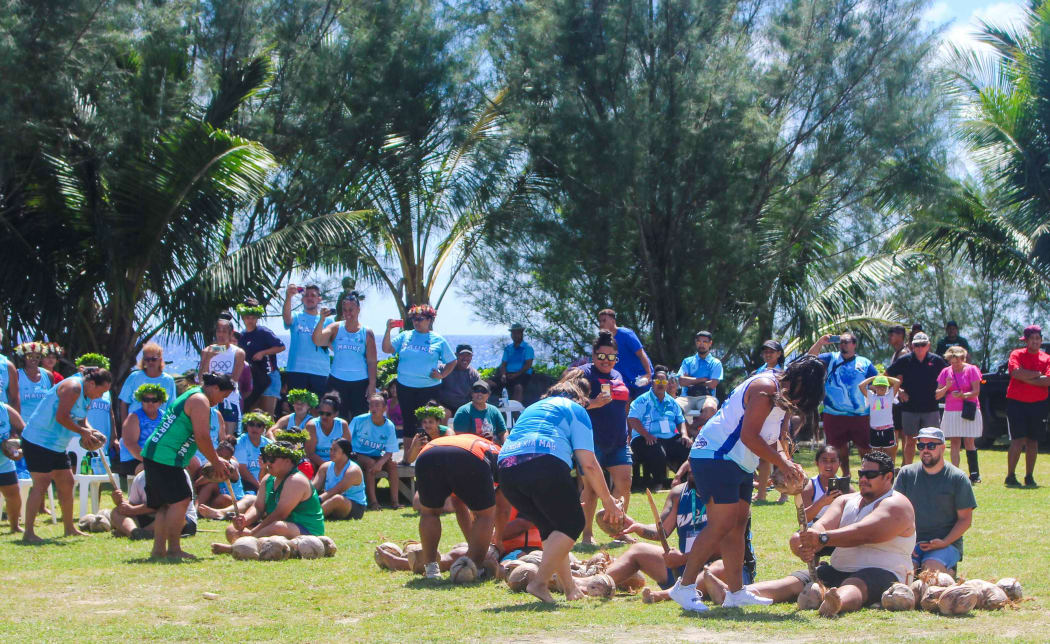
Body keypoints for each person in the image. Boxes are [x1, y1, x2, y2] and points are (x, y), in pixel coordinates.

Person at [669, 356, 823, 612]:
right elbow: (749, 436)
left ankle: (736, 592)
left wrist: (788, 462)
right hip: (716, 456)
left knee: (738, 525)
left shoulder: (783, 396)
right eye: (802, 395)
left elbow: (774, 440)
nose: (798, 403)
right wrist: (782, 465)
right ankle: (683, 587)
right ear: (797, 381)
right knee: (721, 525)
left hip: (741, 461)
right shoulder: (765, 389)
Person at [497, 369, 626, 602]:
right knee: (573, 523)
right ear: (582, 398)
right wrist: (609, 503)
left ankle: (571, 589)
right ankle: (539, 582)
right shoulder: (576, 410)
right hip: (542, 461)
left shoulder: (532, 408)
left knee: (552, 529)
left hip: (507, 469)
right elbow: (589, 464)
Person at [743, 451, 916, 618]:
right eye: (862, 473)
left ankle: (835, 602)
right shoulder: (845, 500)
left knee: (855, 584)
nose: (863, 478)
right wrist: (804, 542)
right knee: (794, 582)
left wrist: (823, 539)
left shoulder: (897, 504)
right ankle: (739, 594)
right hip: (838, 569)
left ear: (888, 477)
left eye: (870, 474)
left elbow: (865, 533)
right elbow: (821, 527)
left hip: (883, 573)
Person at [606, 471, 757, 602]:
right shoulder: (679, 493)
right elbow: (662, 530)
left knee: (714, 569)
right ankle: (595, 583)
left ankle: (667, 594)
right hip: (685, 570)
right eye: (690, 462)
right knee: (638, 550)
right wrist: (638, 527)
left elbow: (725, 547)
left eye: (697, 464)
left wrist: (682, 558)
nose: (691, 470)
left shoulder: (730, 495)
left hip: (727, 570)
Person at [141, 372, 235, 559]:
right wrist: (215, 462)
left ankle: (159, 550)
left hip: (159, 454)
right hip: (164, 456)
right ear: (215, 388)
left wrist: (216, 458)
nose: (221, 401)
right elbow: (201, 436)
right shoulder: (200, 400)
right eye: (223, 396)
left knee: (165, 505)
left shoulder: (195, 395)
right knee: (182, 500)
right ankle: (174, 550)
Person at [20, 367, 112, 543]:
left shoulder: (87, 392)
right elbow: (61, 417)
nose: (101, 396)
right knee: (42, 484)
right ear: (92, 383)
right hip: (37, 440)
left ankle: (70, 528)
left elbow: (81, 419)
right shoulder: (73, 387)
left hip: (56, 445)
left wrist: (92, 431)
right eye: (101, 392)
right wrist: (83, 432)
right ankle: (29, 533)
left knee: (67, 482)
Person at [415, 432, 505, 579]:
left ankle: (431, 568)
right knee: (486, 515)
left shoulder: (480, 444)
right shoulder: (501, 458)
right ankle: (475, 566)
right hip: (470, 455)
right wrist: (499, 539)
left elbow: (458, 504)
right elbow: (502, 511)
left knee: (429, 513)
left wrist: (473, 545)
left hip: (427, 453)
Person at [213, 441, 325, 552]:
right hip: (276, 526)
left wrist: (253, 532)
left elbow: (280, 514)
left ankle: (237, 547)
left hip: (307, 530)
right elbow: (257, 507)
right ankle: (245, 545)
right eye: (267, 458)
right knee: (231, 529)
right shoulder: (268, 479)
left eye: (272, 459)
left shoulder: (296, 480)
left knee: (277, 527)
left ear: (287, 461)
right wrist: (245, 520)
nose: (268, 463)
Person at [894, 427, 977, 574]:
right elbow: (895, 512)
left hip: (946, 543)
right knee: (903, 572)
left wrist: (944, 542)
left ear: (943, 448)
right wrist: (904, 543)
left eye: (931, 446)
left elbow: (965, 520)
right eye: (921, 445)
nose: (925, 450)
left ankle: (945, 569)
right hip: (910, 541)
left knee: (930, 573)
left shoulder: (958, 478)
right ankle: (946, 571)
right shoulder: (906, 473)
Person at [578, 330, 633, 546]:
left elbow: (623, 407)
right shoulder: (582, 374)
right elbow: (569, 402)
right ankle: (587, 535)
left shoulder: (618, 376)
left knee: (625, 483)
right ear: (593, 356)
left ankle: (619, 531)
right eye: (602, 356)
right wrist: (594, 404)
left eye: (611, 357)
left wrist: (628, 431)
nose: (606, 361)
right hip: (591, 441)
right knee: (590, 489)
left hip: (619, 440)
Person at [808, 331, 878, 477]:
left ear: (854, 344)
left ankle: (868, 472)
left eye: (846, 342)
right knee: (839, 448)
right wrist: (820, 342)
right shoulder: (830, 358)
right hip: (833, 413)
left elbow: (877, 382)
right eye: (841, 342)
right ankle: (846, 474)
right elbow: (809, 359)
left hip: (860, 414)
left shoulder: (864, 363)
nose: (843, 345)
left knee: (865, 447)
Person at [382, 304, 456, 437]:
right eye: (414, 319)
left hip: (429, 387)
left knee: (429, 421)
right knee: (409, 423)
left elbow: (452, 361)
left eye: (420, 319)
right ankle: (408, 457)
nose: (416, 322)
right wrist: (388, 330)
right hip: (405, 386)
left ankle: (430, 453)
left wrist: (442, 375)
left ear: (429, 320)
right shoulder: (405, 335)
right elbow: (387, 349)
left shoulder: (438, 339)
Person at [885, 332, 947, 466]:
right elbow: (886, 376)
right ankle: (908, 470)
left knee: (932, 441)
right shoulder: (904, 360)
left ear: (928, 346)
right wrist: (899, 391)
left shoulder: (936, 360)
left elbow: (950, 375)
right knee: (910, 441)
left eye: (923, 344)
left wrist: (943, 390)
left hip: (931, 408)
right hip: (909, 408)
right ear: (912, 346)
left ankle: (933, 468)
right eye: (917, 345)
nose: (920, 347)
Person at [312, 293, 376, 420]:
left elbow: (372, 361)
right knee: (337, 418)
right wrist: (321, 320)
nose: (348, 313)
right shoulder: (336, 328)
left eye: (351, 310)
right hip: (337, 381)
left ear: (358, 309)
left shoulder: (367, 332)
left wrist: (372, 384)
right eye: (345, 310)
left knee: (359, 418)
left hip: (360, 382)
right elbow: (317, 340)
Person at [628, 365, 690, 491]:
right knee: (657, 450)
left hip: (669, 437)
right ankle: (658, 484)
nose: (660, 384)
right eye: (658, 381)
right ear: (652, 383)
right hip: (644, 438)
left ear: (667, 383)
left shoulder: (672, 402)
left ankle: (685, 481)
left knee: (686, 446)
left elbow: (680, 420)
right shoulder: (642, 400)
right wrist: (646, 434)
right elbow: (632, 419)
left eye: (663, 381)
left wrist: (684, 434)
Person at [1004, 325, 1050, 487]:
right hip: (1017, 403)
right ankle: (1010, 476)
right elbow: (1015, 373)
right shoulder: (1016, 354)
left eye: (1038, 338)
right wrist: (1037, 375)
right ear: (1026, 340)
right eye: (1032, 339)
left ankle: (1029, 476)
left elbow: (1048, 380)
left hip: (1038, 405)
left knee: (1033, 441)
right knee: (1018, 440)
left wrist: (1026, 377)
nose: (1035, 341)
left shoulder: (1046, 358)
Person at [937, 347, 984, 482]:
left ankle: (974, 474)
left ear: (963, 359)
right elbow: (938, 393)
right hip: (952, 411)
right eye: (953, 362)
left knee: (969, 441)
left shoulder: (971, 370)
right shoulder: (946, 372)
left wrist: (963, 395)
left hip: (968, 409)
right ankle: (955, 473)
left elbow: (976, 391)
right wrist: (947, 387)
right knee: (955, 442)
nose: (955, 365)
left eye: (958, 362)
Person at [111, 469, 197, 540]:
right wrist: (120, 503)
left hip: (181, 518)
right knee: (116, 512)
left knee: (173, 514)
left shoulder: (178, 473)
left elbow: (167, 504)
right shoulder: (141, 477)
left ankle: (141, 532)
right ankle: (134, 532)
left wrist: (133, 510)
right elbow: (133, 504)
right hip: (149, 518)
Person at [350, 392, 401, 509]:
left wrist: (381, 463)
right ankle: (373, 502)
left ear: (384, 408)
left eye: (377, 405)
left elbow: (389, 451)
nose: (373, 408)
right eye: (371, 405)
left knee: (392, 465)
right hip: (357, 453)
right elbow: (346, 437)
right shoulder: (358, 420)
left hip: (376, 455)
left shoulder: (389, 426)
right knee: (371, 464)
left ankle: (395, 502)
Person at [282, 284, 334, 398]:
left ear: (319, 299)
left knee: (319, 409)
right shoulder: (296, 316)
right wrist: (289, 297)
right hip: (296, 370)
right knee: (297, 407)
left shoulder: (328, 320)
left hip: (320, 372)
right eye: (306, 295)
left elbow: (333, 345)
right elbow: (287, 319)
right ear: (302, 299)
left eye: (313, 295)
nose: (309, 298)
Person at [200, 317, 246, 440]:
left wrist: (214, 379)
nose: (220, 334)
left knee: (227, 436)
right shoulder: (207, 351)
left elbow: (234, 379)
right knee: (210, 433)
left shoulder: (238, 353)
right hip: (210, 400)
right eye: (218, 331)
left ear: (231, 334)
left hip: (229, 400)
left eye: (224, 331)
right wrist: (209, 358)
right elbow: (201, 378)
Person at [236, 299, 286, 415]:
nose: (250, 320)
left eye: (253, 318)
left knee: (267, 415)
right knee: (251, 413)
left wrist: (263, 353)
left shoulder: (263, 332)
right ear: (243, 318)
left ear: (257, 318)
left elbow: (281, 347)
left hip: (269, 376)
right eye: (247, 317)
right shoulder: (242, 336)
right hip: (254, 379)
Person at [116, 343, 177, 429]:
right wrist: (125, 426)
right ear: (143, 360)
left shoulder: (168, 380)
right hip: (135, 426)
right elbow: (124, 403)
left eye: (154, 359)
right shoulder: (134, 377)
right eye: (147, 359)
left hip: (158, 429)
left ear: (160, 360)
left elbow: (171, 407)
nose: (150, 362)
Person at [597, 309, 653, 399]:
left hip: (640, 377)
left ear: (613, 321)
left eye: (604, 320)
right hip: (624, 380)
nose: (601, 324)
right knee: (624, 406)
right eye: (600, 321)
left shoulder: (626, 334)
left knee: (643, 407)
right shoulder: (604, 341)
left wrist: (648, 374)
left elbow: (641, 354)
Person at [676, 331, 724, 434]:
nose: (701, 344)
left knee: (710, 408)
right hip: (686, 397)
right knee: (671, 407)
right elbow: (681, 381)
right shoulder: (687, 361)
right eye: (699, 341)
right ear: (695, 342)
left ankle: (689, 429)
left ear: (710, 343)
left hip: (706, 397)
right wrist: (702, 379)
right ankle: (690, 431)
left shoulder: (716, 363)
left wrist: (690, 380)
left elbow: (713, 384)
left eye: (705, 342)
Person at [116, 383, 168, 476]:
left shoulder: (165, 417)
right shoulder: (134, 417)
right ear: (141, 401)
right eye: (146, 400)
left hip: (158, 459)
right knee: (152, 469)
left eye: (154, 400)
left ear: (160, 402)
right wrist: (151, 460)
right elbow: (130, 444)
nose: (150, 403)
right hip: (134, 459)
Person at [312, 438, 366, 520]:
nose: (331, 452)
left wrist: (317, 500)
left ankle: (311, 518)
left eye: (335, 450)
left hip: (354, 507)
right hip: (329, 500)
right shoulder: (325, 467)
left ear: (344, 452)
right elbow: (314, 487)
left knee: (337, 499)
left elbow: (336, 491)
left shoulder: (353, 470)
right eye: (331, 450)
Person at [801, 445, 853, 525]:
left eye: (833, 461)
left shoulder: (846, 487)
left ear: (839, 463)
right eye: (824, 461)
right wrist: (822, 502)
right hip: (816, 529)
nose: (828, 465)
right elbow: (803, 519)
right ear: (817, 463)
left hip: (840, 529)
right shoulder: (810, 487)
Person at [858, 374, 901, 462]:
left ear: (887, 388)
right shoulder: (871, 397)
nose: (881, 389)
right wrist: (874, 378)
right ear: (874, 387)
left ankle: (890, 472)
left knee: (889, 454)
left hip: (887, 429)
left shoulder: (889, 396)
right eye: (879, 387)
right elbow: (861, 385)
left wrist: (885, 378)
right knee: (876, 455)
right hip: (875, 430)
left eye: (884, 387)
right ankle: (877, 473)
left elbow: (897, 382)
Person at [303, 394, 350, 471]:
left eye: (328, 414)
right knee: (308, 466)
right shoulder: (312, 426)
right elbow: (310, 453)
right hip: (316, 461)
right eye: (321, 413)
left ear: (336, 414)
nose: (324, 417)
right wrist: (327, 467)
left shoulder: (343, 425)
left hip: (337, 461)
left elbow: (346, 451)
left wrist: (335, 465)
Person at [0, 401, 27, 532]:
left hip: (4, 463)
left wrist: (18, 451)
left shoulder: (5, 410)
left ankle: (15, 526)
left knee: (13, 495)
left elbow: (26, 432)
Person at [886, 324, 910, 453]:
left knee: (903, 434)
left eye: (892, 334)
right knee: (895, 432)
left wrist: (898, 390)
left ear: (901, 336)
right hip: (895, 396)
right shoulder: (896, 353)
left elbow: (900, 377)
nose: (890, 337)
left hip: (901, 397)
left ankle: (904, 465)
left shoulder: (904, 353)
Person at [235, 412, 273, 493]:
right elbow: (242, 469)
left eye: (259, 425)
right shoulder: (240, 442)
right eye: (251, 424)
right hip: (246, 484)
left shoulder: (269, 444)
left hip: (265, 482)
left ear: (264, 428)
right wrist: (259, 486)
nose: (254, 428)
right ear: (247, 426)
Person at [16, 343, 54, 423]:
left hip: (44, 423)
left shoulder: (48, 375)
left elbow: (52, 400)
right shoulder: (17, 375)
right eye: (30, 356)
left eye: (37, 357)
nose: (34, 359)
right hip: (23, 423)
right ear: (23, 358)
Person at [438, 344, 481, 417]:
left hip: (463, 408)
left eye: (468, 355)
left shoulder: (474, 374)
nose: (465, 358)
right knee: (445, 413)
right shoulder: (443, 369)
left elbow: (477, 395)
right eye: (462, 355)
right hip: (443, 406)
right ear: (455, 355)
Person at [498, 323, 535, 403]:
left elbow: (528, 365)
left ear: (521, 333)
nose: (515, 335)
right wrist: (503, 375)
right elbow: (503, 364)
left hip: (522, 374)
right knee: (488, 383)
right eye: (513, 333)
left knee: (518, 387)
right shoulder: (508, 348)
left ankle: (516, 412)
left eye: (517, 333)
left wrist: (516, 374)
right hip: (507, 374)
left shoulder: (527, 348)